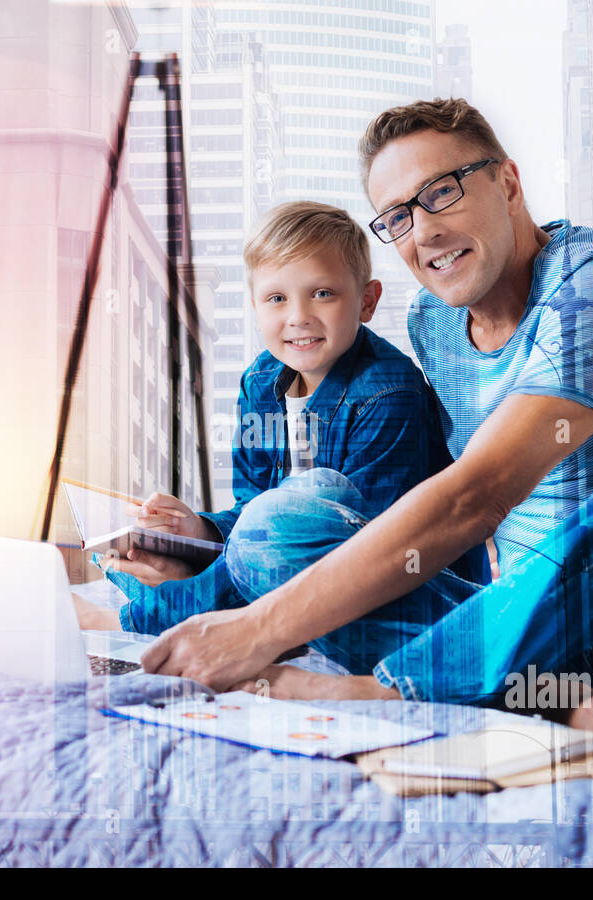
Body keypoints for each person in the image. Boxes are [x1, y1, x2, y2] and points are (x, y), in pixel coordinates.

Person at [139, 98, 593, 730]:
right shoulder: (434, 321)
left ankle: (391, 689)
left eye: (440, 192)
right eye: (395, 216)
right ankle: (545, 696)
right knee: (271, 529)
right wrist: (203, 539)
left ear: (507, 182)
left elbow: (475, 495)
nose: (423, 232)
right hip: (521, 632)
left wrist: (259, 628)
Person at [73, 201, 469, 664]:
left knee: (318, 493)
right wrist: (197, 531)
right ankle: (177, 580)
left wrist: (178, 596)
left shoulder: (389, 392)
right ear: (256, 305)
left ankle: (143, 617)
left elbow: (368, 552)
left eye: (322, 293)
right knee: (131, 554)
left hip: (386, 586)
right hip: (289, 565)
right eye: (277, 298)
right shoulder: (261, 381)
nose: (298, 316)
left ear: (367, 300)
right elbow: (252, 516)